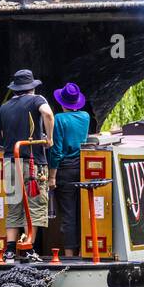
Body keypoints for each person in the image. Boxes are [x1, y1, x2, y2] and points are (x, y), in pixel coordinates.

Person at [0, 68, 54, 263]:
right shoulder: (37, 100)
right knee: (35, 205)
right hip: (32, 163)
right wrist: (49, 138)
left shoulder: (3, 108)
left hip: (10, 163)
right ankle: (29, 248)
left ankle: (10, 251)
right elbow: (47, 114)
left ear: (15, 89)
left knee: (14, 205)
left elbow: (4, 136)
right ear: (32, 88)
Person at [48, 82, 91, 258]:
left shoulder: (59, 119)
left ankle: (69, 255)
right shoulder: (86, 117)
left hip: (64, 170)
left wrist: (52, 176)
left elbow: (56, 150)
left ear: (62, 102)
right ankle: (84, 250)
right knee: (82, 212)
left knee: (68, 214)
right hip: (82, 168)